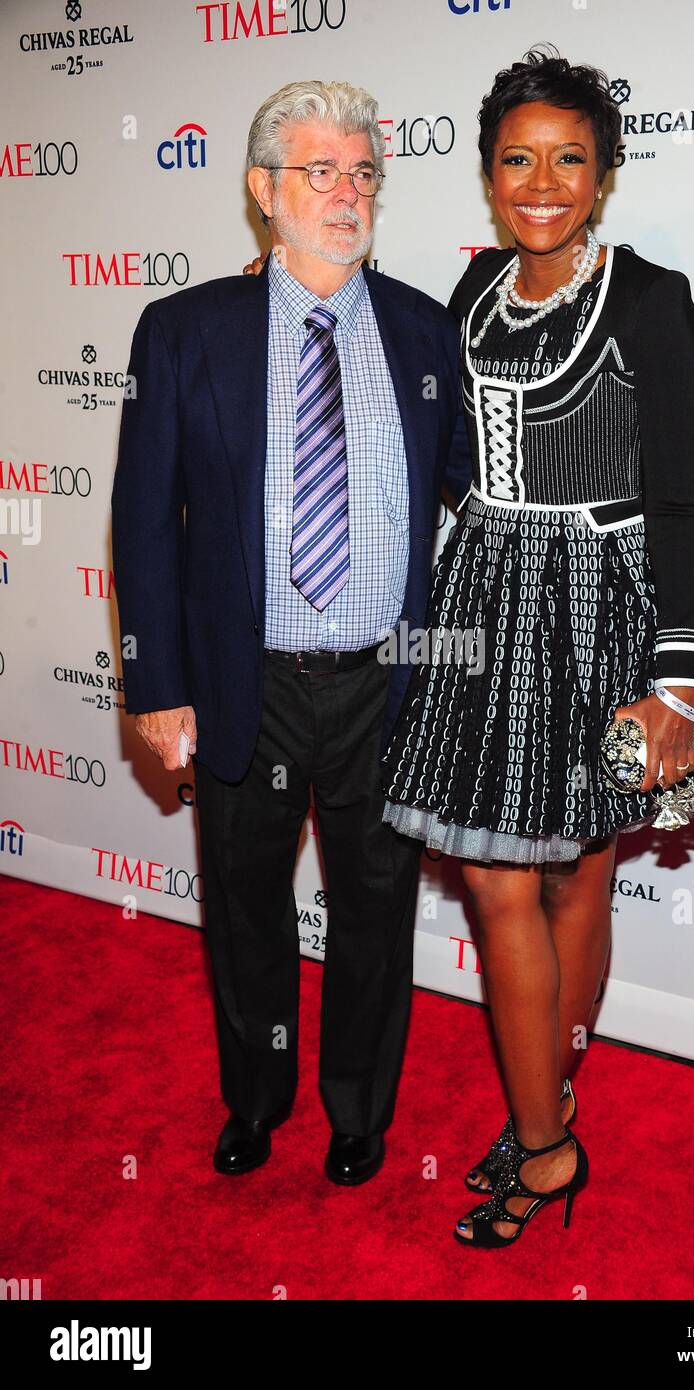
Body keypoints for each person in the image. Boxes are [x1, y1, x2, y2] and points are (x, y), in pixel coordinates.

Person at [378, 49, 694, 1248]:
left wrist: (675, 683)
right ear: (489, 173)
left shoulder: (652, 296)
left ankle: (552, 1090)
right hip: (484, 593)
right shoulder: (473, 291)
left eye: (567, 161)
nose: (539, 183)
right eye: (517, 159)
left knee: (578, 870)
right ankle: (547, 1144)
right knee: (499, 876)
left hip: (604, 602)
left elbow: (678, 502)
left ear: (600, 177)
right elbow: (450, 457)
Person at [111, 80, 471, 1184]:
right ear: (264, 190)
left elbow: (473, 499)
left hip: (385, 682)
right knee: (247, 911)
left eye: (364, 171)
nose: (347, 193)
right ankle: (256, 1100)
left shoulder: (424, 327)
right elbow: (142, 521)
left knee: (374, 911)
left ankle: (359, 1111)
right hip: (239, 683)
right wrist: (155, 688)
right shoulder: (182, 330)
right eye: (321, 171)